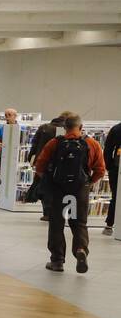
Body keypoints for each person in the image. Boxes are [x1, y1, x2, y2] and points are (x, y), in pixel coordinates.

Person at [34, 113, 106, 273]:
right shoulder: (92, 144)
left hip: (58, 189)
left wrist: (48, 180)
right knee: (79, 223)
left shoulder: (55, 143)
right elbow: (100, 169)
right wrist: (89, 182)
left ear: (64, 128)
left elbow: (40, 165)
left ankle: (57, 261)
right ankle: (80, 250)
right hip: (80, 190)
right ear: (81, 127)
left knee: (57, 224)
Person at [28, 113, 69, 221]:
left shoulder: (44, 128)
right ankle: (57, 212)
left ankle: (46, 212)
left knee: (43, 186)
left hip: (43, 162)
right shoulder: (65, 129)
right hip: (59, 164)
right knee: (57, 188)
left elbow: (34, 145)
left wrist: (31, 159)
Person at [103, 120, 121, 236]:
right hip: (115, 168)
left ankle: (109, 225)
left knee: (116, 196)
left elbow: (107, 149)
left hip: (116, 168)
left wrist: (109, 167)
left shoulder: (116, 129)